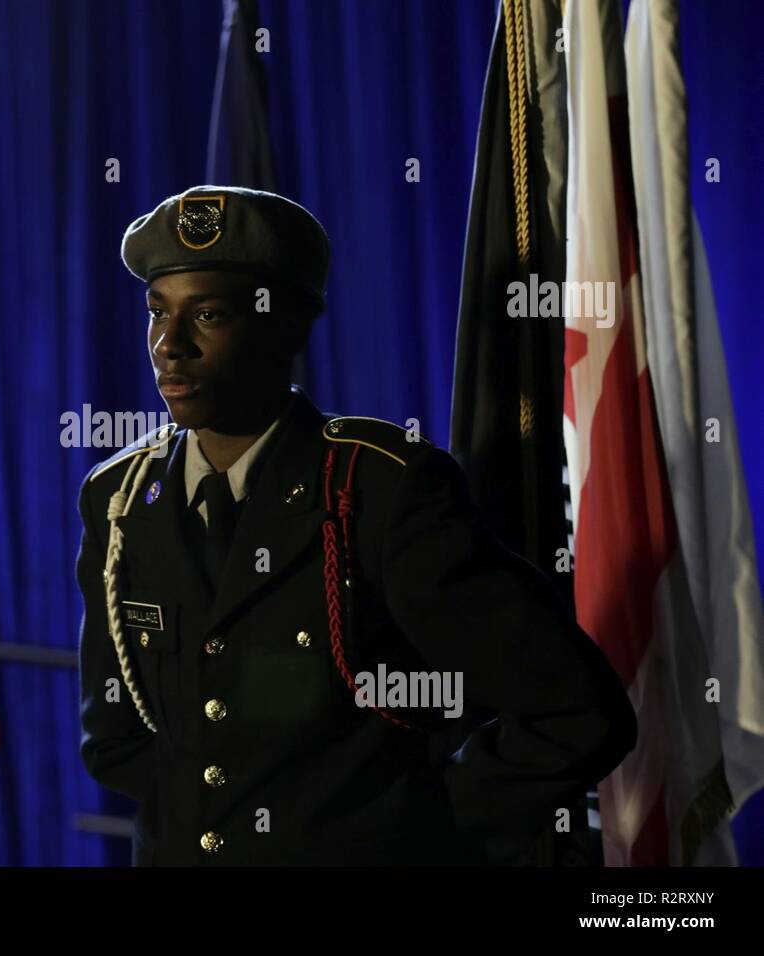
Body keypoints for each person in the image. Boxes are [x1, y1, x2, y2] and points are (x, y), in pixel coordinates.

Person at [74, 185, 636, 865]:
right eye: (157, 313)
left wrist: (414, 827)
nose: (170, 346)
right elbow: (114, 736)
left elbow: (576, 713)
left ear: (286, 328)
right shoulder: (120, 500)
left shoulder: (381, 492)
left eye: (210, 315)